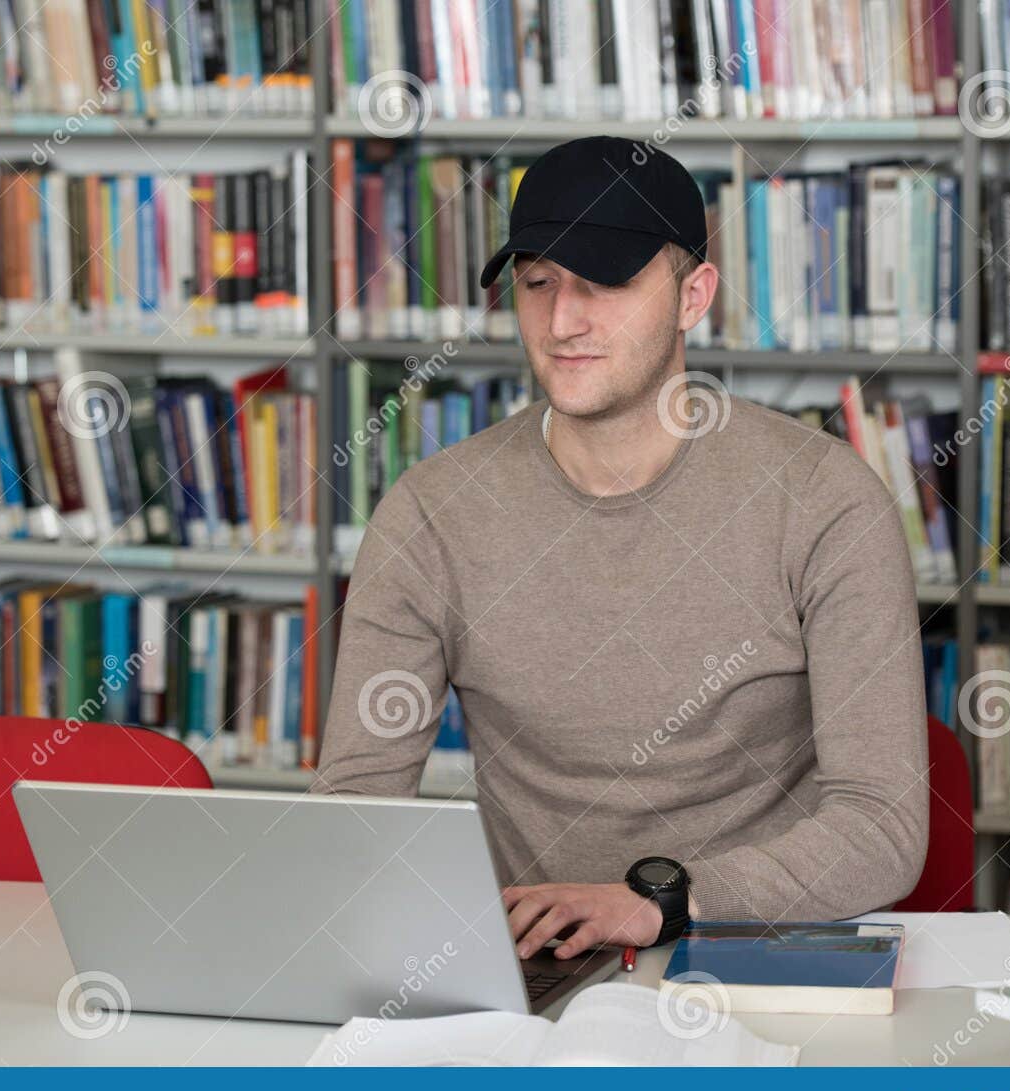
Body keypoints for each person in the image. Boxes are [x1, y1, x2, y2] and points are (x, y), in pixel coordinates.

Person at [311, 136, 929, 961]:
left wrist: (661, 903)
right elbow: (353, 810)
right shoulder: (431, 512)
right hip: (542, 970)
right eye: (538, 283)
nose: (563, 321)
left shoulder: (825, 499)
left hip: (756, 955)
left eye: (604, 282)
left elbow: (882, 826)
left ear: (693, 296)